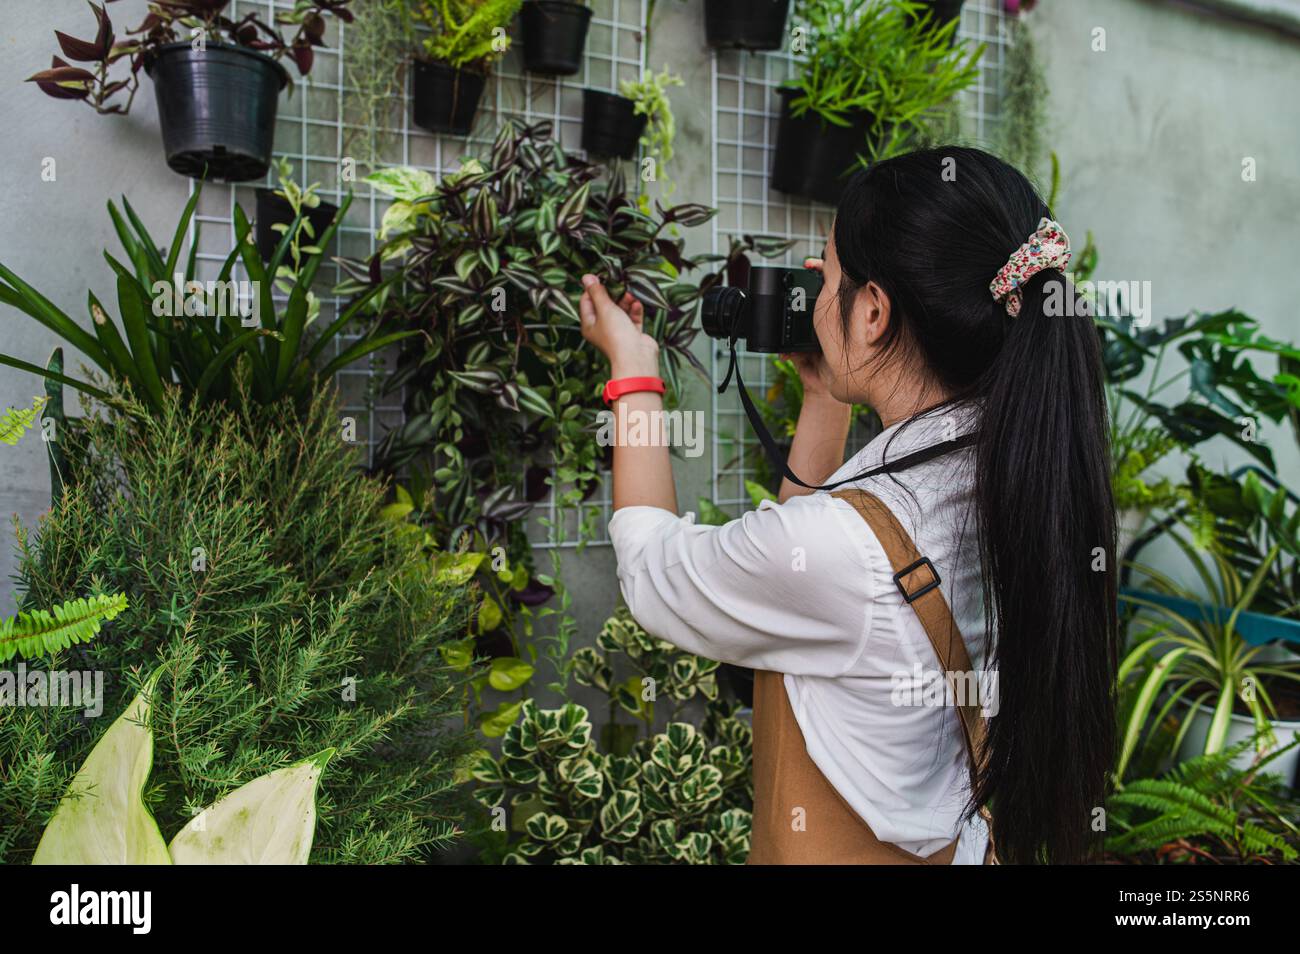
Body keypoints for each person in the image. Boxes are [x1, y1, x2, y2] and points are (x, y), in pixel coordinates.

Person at [579, 147, 1119, 865]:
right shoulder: (1013, 473)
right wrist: (821, 397)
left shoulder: (847, 552)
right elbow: (820, 561)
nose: (817, 294)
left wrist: (634, 372)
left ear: (872, 312)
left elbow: (651, 570)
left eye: (829, 274)